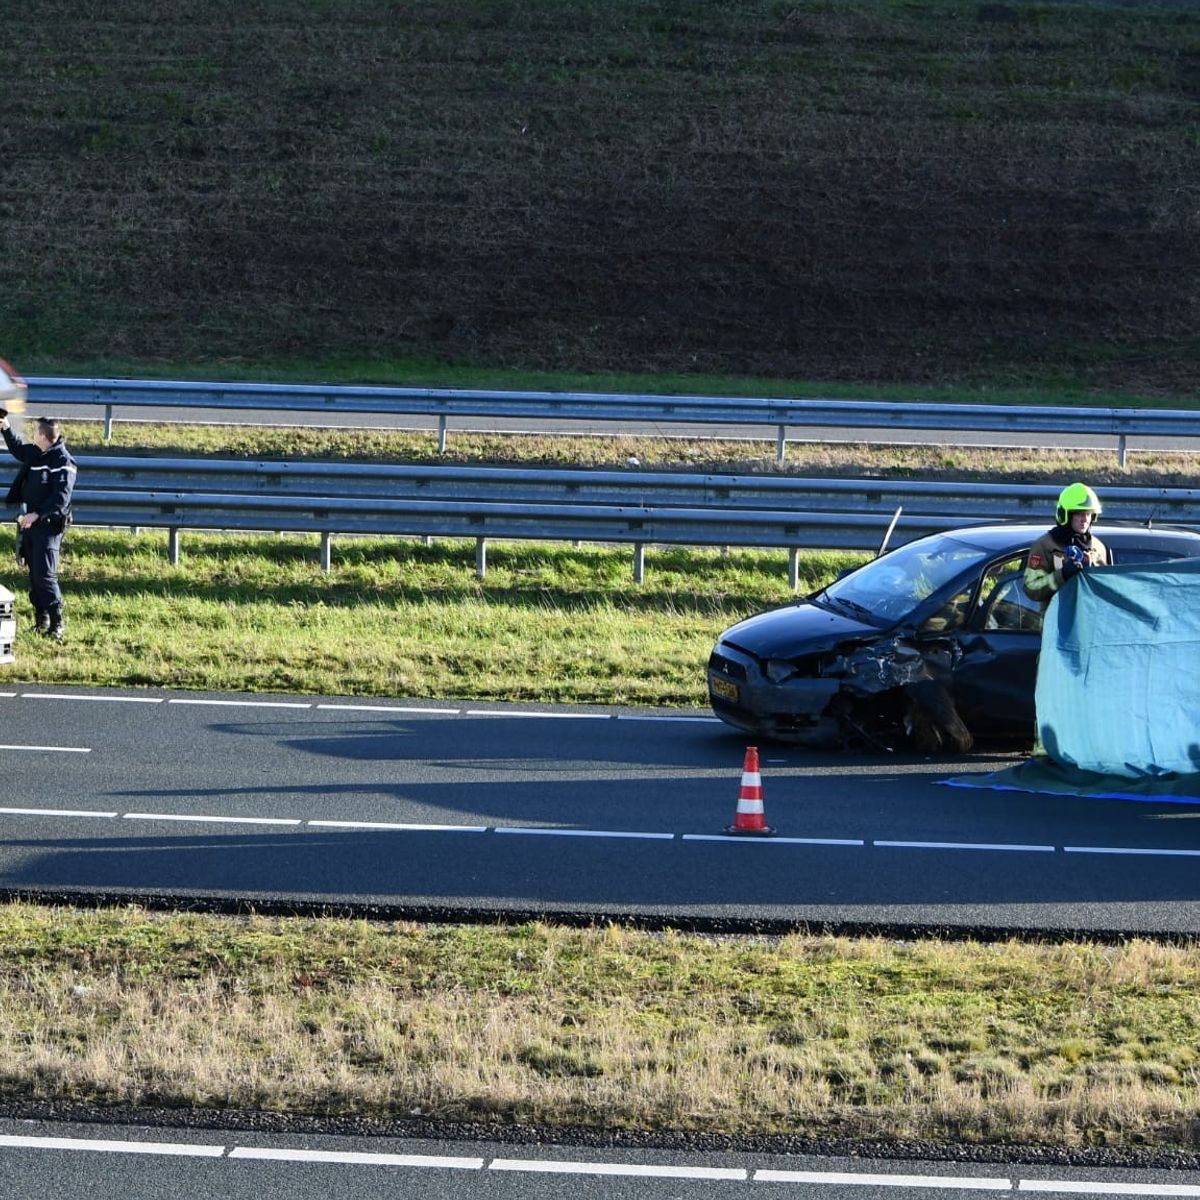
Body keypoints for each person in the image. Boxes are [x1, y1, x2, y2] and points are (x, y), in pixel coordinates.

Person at [1, 412, 77, 640]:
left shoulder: (63, 462)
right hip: (32, 524)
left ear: (43, 437)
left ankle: (57, 622)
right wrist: (5, 427)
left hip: (49, 526)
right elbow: (18, 450)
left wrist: (37, 515)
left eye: (35, 432)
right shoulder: (36, 453)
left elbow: (60, 499)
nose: (33, 435)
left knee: (45, 575)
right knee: (35, 574)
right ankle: (41, 620)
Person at [1022, 482, 1110, 612]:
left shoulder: (1098, 548)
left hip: (1088, 626)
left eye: (1088, 513)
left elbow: (1107, 591)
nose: (1084, 519)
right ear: (1065, 515)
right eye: (1079, 513)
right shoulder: (1045, 546)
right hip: (1056, 626)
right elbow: (1032, 588)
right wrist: (1062, 574)